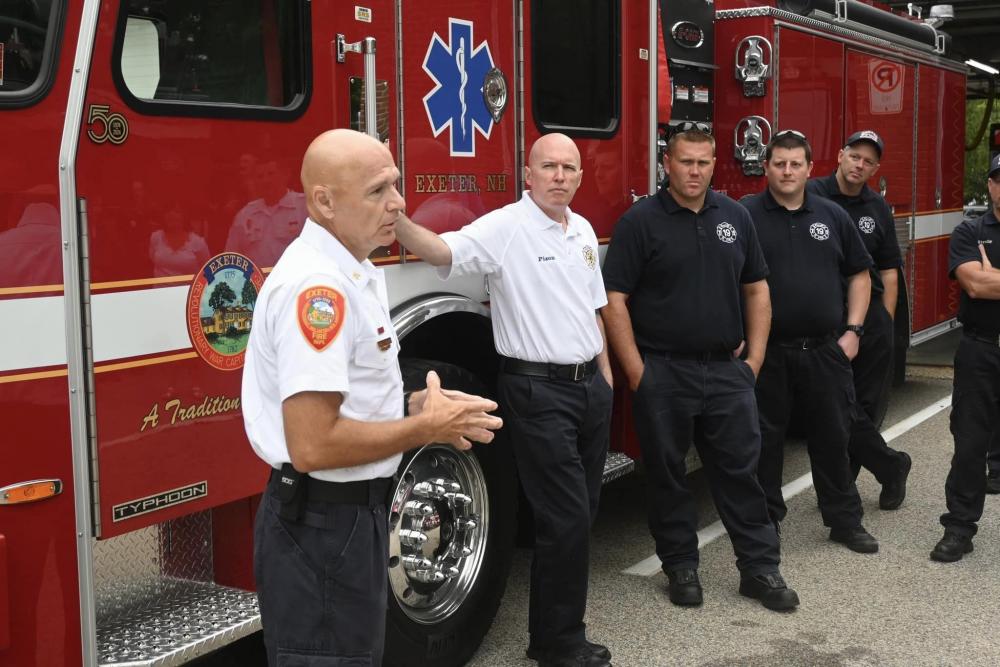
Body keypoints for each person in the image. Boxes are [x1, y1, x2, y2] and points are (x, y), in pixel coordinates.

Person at [241, 129, 503, 666]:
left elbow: (350, 404)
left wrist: (416, 408)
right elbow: (312, 444)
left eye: (398, 185)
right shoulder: (318, 290)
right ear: (324, 202)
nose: (399, 203)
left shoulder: (353, 269)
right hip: (321, 526)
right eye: (378, 191)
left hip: (348, 519)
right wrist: (423, 431)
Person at [393, 133, 615, 667]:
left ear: (580, 177)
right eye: (549, 167)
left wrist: (604, 376)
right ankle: (559, 643)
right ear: (528, 175)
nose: (560, 176)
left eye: (569, 168)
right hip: (537, 391)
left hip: (588, 388)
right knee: (563, 519)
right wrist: (394, 215)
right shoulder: (506, 228)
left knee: (579, 516)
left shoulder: (581, 230)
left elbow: (593, 308)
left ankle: (555, 633)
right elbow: (444, 250)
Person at [602, 124, 798, 612]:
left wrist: (753, 361)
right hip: (663, 373)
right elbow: (614, 299)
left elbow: (757, 289)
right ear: (667, 162)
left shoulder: (735, 217)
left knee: (740, 474)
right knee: (667, 476)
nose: (694, 171)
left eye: (703, 162)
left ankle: (760, 569)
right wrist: (637, 372)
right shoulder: (640, 222)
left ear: (714, 164)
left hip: (727, 373)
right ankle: (681, 567)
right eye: (685, 161)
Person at [741, 130, 880, 553]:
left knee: (833, 437)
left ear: (809, 168)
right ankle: (767, 523)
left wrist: (853, 332)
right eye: (779, 163)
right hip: (767, 352)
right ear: (766, 167)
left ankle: (844, 521)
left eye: (795, 163)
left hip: (825, 349)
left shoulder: (831, 215)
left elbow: (860, 274)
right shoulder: (744, 215)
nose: (787, 171)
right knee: (763, 443)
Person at [807, 130, 912, 510]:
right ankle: (891, 466)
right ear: (839, 155)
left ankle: (841, 487)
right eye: (854, 156)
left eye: (868, 161)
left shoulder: (877, 207)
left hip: (872, 322)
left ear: (875, 169)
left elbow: (888, 270)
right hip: (827, 321)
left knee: (864, 408)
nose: (859, 165)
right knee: (833, 407)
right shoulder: (812, 195)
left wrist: (884, 320)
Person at [931, 153, 1000, 562]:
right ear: (990, 186)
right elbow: (974, 285)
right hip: (981, 349)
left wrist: (994, 277)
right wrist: (983, 278)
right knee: (971, 442)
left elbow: (989, 281)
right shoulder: (969, 232)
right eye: (998, 178)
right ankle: (959, 528)